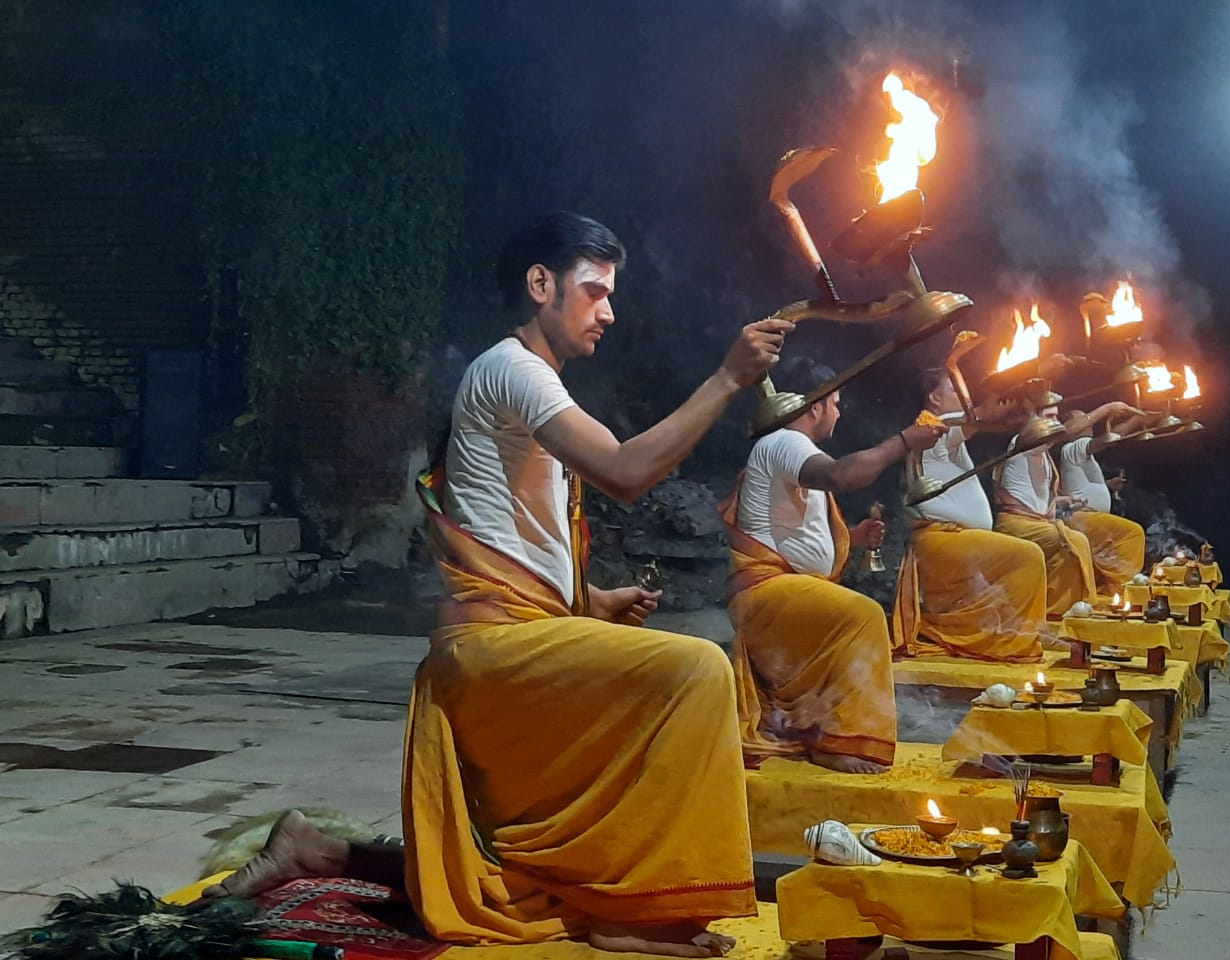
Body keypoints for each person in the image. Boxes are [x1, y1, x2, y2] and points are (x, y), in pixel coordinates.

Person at [204, 212, 792, 957]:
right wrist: (727, 379)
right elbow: (625, 471)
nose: (609, 311)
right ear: (540, 285)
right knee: (698, 671)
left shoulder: (525, 377)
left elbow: (518, 539)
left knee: (513, 863)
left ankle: (319, 850)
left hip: (509, 633)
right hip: (490, 649)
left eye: (612, 294)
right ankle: (626, 908)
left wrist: (591, 603)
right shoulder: (512, 368)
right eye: (594, 291)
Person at [719, 357, 943, 774]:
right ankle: (844, 740)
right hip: (765, 591)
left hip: (778, 589)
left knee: (851, 614)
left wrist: (852, 538)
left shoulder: (789, 449)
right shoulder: (785, 442)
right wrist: (904, 442)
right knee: (862, 616)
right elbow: (841, 476)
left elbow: (792, 529)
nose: (839, 413)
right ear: (814, 406)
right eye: (835, 403)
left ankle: (819, 726)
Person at [892, 368, 1049, 661]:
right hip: (941, 537)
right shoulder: (932, 428)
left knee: (1022, 558)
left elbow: (995, 413)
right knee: (1028, 556)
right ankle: (1009, 643)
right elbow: (985, 413)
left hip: (954, 536)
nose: (965, 398)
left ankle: (995, 636)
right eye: (955, 390)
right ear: (934, 398)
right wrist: (1018, 375)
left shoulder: (946, 432)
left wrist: (1023, 395)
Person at [993, 400, 1140, 616]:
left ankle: (1065, 610)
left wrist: (1061, 501)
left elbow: (1036, 498)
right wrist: (1106, 409)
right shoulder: (1024, 441)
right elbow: (1064, 434)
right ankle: (1078, 607)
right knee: (1073, 540)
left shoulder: (1043, 453)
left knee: (1070, 544)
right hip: (1016, 523)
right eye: (1048, 417)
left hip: (1040, 521)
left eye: (1056, 417)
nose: (1055, 423)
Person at [1057, 408, 1154, 596]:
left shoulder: (1079, 454)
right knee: (1132, 533)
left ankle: (1109, 592)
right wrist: (1136, 419)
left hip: (1088, 517)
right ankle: (1123, 589)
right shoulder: (1074, 447)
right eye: (1083, 420)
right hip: (1081, 517)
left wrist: (1107, 486)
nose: (1089, 423)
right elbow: (1107, 440)